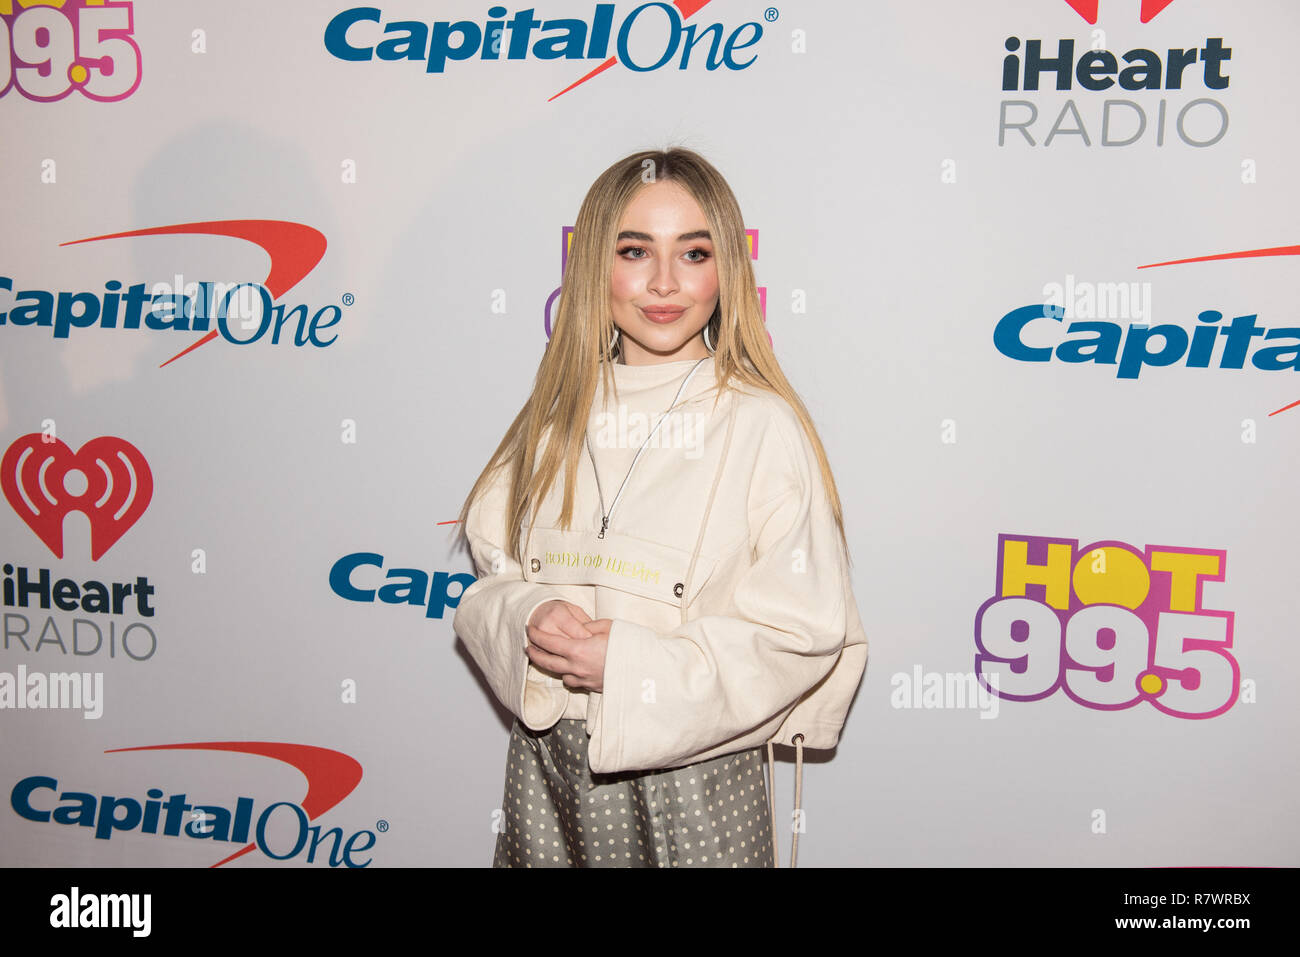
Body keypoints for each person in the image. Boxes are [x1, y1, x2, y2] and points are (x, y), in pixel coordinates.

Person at [452, 147, 867, 868]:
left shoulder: (761, 425)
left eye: (695, 252)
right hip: (547, 772)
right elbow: (493, 580)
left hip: (695, 783)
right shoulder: (549, 420)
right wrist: (528, 615)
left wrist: (632, 664)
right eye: (636, 250)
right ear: (594, 267)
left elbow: (803, 631)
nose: (666, 282)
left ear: (726, 270)